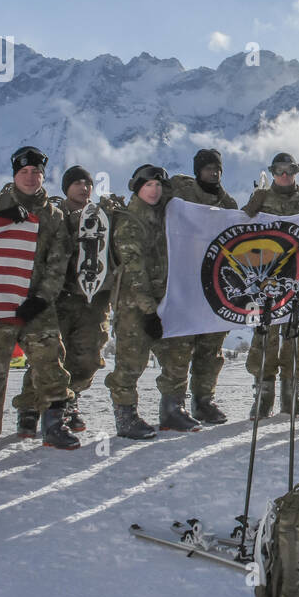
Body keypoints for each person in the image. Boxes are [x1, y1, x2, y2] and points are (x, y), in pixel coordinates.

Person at [0, 146, 78, 456]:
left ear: (43, 176)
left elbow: (59, 261)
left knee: (50, 363)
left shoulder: (53, 215)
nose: (31, 177)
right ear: (15, 175)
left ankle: (54, 424)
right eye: (24, 172)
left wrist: (42, 298)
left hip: (36, 303)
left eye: (36, 172)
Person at [15, 165, 123, 434]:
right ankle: (30, 407)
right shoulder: (54, 214)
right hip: (60, 296)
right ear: (66, 188)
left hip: (95, 297)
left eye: (87, 183)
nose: (83, 188)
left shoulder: (104, 215)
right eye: (76, 183)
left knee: (87, 358)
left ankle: (69, 401)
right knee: (49, 357)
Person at [105, 164, 201, 438]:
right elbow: (134, 269)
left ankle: (172, 409)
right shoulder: (129, 221)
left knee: (178, 352)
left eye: (158, 185)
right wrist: (149, 311)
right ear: (137, 188)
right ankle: (125, 416)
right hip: (136, 305)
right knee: (131, 360)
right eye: (148, 185)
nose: (154, 190)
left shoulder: (166, 215)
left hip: (167, 299)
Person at [242, 152, 299, 418]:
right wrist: (253, 203)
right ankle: (263, 396)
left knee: (298, 339)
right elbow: (240, 227)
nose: (285, 175)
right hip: (266, 281)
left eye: (290, 170)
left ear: (296, 172)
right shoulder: (262, 198)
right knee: (265, 336)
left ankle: (292, 396)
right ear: (273, 173)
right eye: (279, 170)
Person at [167, 149, 238, 425]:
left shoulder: (227, 201)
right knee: (181, 346)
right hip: (185, 282)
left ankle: (203, 401)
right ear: (198, 170)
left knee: (211, 347)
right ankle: (173, 405)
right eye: (207, 168)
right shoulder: (180, 193)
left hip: (216, 285)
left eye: (217, 168)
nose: (213, 173)